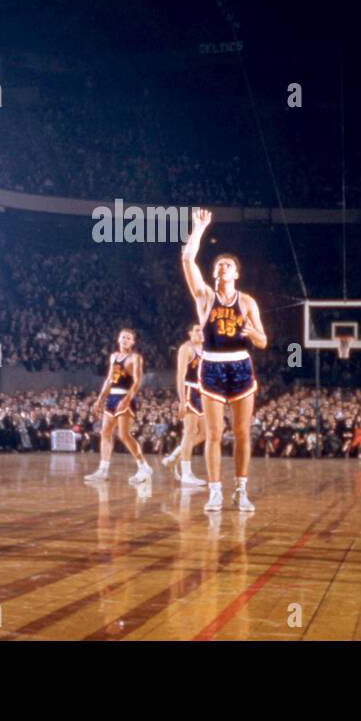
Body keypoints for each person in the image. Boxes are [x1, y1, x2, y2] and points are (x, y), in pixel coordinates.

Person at [181, 209, 267, 513]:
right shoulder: (204, 297)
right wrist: (199, 229)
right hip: (213, 365)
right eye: (218, 264)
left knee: (242, 431)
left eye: (227, 265)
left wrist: (252, 331)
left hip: (241, 365)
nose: (221, 266)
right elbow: (188, 261)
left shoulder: (247, 302)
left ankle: (241, 490)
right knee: (215, 433)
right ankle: (215, 491)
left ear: (236, 274)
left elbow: (263, 341)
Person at [83, 329, 152, 484]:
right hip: (112, 397)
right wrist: (100, 399)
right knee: (105, 432)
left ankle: (143, 466)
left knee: (124, 435)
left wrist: (127, 399)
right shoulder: (114, 356)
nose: (125, 340)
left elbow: (137, 381)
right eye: (123, 337)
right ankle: (103, 469)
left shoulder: (135, 358)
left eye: (129, 338)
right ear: (118, 339)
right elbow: (109, 379)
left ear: (133, 342)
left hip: (126, 396)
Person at [161, 324, 207, 487]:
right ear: (189, 333)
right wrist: (182, 400)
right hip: (189, 390)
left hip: (202, 393)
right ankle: (186, 473)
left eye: (202, 330)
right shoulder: (186, 349)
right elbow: (180, 376)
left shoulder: (206, 350)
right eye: (197, 330)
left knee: (204, 433)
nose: (201, 333)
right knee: (190, 431)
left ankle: (173, 458)